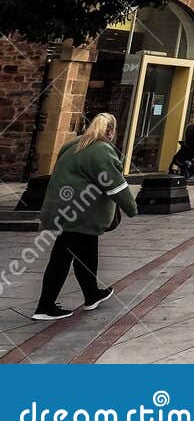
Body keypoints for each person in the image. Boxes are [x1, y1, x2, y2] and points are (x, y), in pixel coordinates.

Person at [32, 113, 138, 321]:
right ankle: (45, 306)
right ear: (110, 131)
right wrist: (132, 208)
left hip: (63, 209)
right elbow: (115, 184)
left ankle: (92, 294)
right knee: (62, 257)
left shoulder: (73, 145)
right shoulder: (101, 151)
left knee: (87, 251)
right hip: (80, 213)